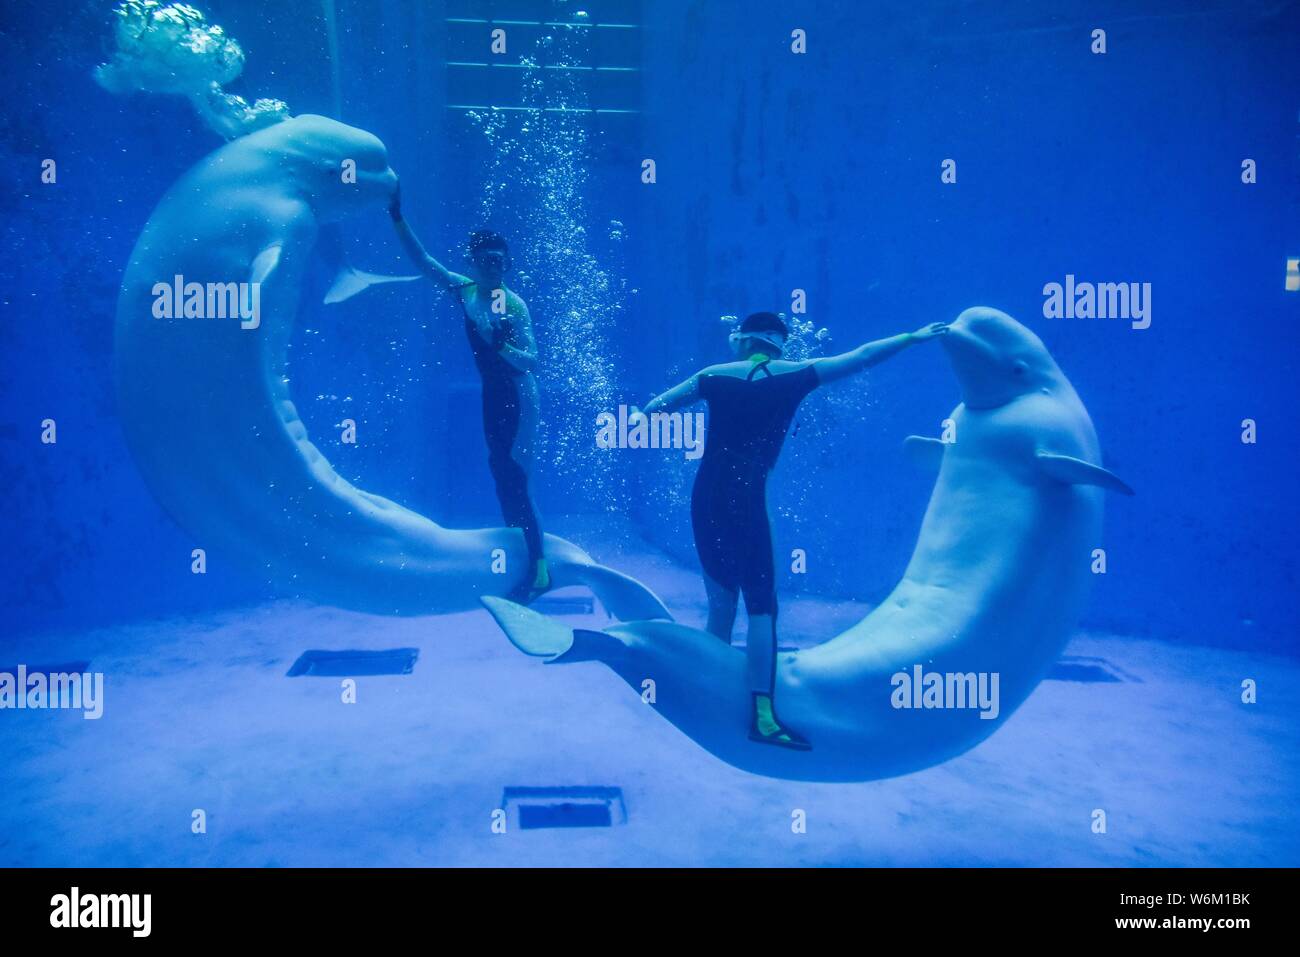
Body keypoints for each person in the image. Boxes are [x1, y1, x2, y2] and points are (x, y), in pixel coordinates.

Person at [637, 311, 948, 749]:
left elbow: (654, 409)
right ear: (779, 343)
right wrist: (912, 336)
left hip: (705, 497)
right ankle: (763, 718)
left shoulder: (711, 375)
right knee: (762, 607)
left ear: (744, 340)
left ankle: (705, 694)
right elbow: (861, 357)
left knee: (720, 604)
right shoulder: (797, 375)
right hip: (747, 500)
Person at [388, 179, 550, 602]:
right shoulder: (465, 290)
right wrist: (397, 216)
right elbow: (423, 261)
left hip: (519, 396)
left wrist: (503, 345)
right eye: (484, 260)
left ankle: (538, 570)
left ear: (508, 263)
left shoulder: (514, 306)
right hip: (492, 396)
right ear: (473, 263)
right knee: (500, 476)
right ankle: (522, 559)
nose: (491, 267)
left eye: (498, 260)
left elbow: (532, 361)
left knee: (515, 479)